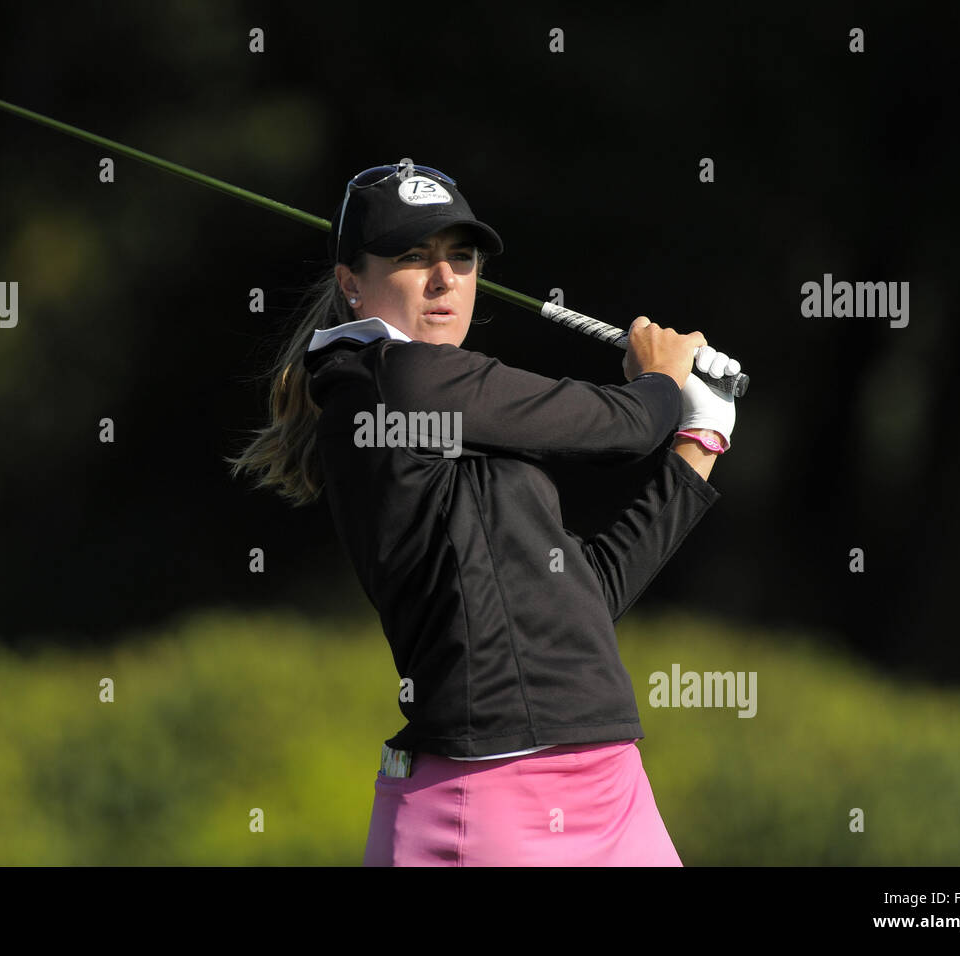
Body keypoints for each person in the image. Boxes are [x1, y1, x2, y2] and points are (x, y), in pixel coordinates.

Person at [228, 159, 738, 866]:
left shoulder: (454, 407)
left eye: (459, 259)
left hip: (611, 784)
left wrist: (699, 441)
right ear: (352, 283)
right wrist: (661, 377)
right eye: (413, 258)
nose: (444, 280)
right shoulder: (392, 377)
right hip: (485, 801)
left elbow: (587, 596)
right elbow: (621, 427)